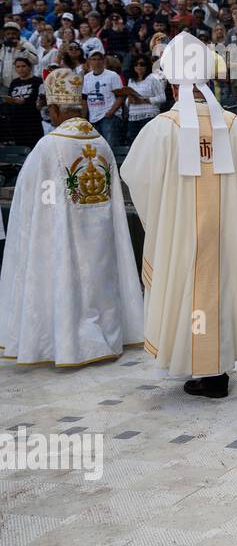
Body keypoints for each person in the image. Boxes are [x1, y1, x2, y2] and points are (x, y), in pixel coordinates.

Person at [120, 32, 237, 399]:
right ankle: (216, 368)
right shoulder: (233, 126)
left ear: (172, 88)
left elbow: (135, 177)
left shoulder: (162, 129)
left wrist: (165, 219)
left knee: (185, 291)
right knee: (220, 289)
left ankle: (198, 364)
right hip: (224, 235)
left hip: (182, 237)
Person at [0, 68, 144, 366]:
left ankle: (66, 342)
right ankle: (107, 336)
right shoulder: (101, 144)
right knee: (99, 283)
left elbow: (39, 200)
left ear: (53, 110)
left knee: (66, 279)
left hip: (63, 233)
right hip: (101, 234)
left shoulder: (49, 146)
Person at [0, 52, 43, 147]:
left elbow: (41, 101)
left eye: (23, 66)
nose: (20, 69)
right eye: (18, 67)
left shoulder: (38, 81)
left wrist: (23, 101)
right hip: (17, 123)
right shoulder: (14, 82)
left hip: (33, 122)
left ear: (29, 67)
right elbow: (10, 99)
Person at [122, 55, 167, 144]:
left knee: (149, 143)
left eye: (142, 64)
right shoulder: (131, 80)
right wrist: (129, 100)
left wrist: (144, 100)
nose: (139, 66)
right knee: (134, 143)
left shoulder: (153, 78)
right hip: (133, 116)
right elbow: (127, 102)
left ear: (147, 66)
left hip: (149, 116)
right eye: (136, 64)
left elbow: (162, 98)